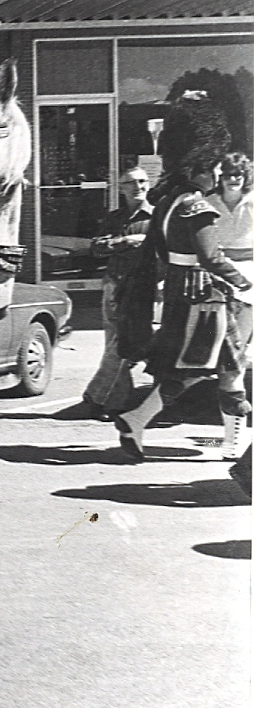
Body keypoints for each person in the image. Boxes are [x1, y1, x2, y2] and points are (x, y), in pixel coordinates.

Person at [114, 99, 252, 462]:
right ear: (200, 167)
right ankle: (138, 419)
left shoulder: (169, 203)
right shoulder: (197, 206)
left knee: (220, 367)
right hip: (204, 296)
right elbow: (211, 257)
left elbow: (162, 250)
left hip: (185, 290)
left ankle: (229, 442)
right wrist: (245, 283)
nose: (219, 174)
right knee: (206, 368)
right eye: (215, 168)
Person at [77, 167, 155, 419]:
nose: (138, 187)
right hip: (114, 284)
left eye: (142, 181)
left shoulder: (156, 217)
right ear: (121, 188)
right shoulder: (115, 218)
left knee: (123, 343)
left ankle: (98, 394)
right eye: (130, 183)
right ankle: (115, 402)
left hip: (143, 287)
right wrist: (125, 242)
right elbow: (96, 248)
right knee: (115, 342)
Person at [209, 151, 253, 481]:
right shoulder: (209, 203)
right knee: (224, 365)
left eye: (238, 174)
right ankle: (231, 438)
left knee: (235, 364)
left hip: (250, 287)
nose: (233, 180)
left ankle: (233, 439)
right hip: (217, 286)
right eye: (228, 174)